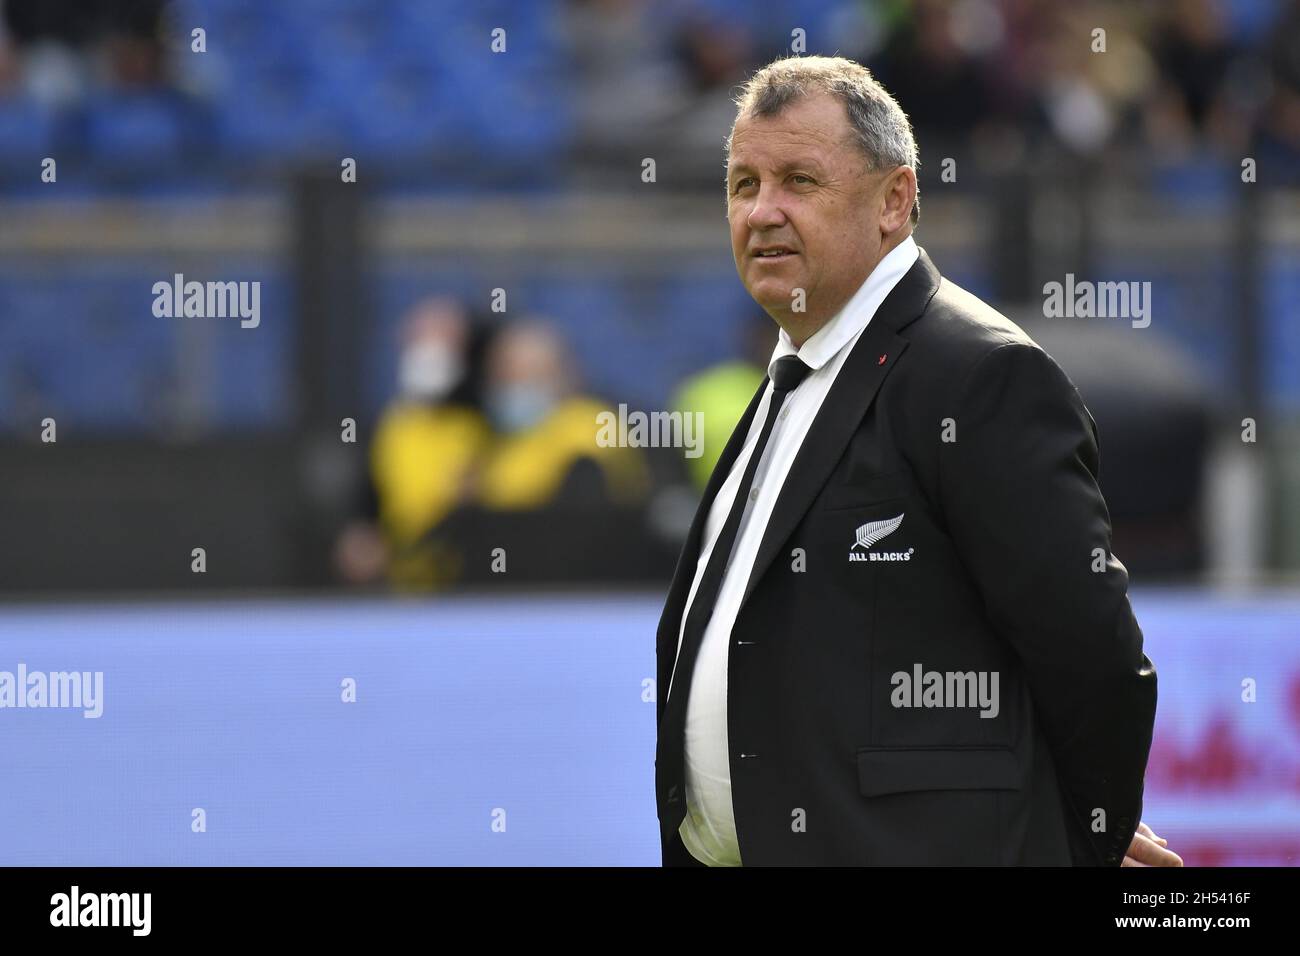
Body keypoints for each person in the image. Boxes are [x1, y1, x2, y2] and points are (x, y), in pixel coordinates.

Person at [654, 55, 1177, 867]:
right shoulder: (792, 373)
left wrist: (1078, 833)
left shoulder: (979, 376)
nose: (762, 212)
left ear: (895, 201)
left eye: (799, 181)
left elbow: (1093, 653)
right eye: (743, 183)